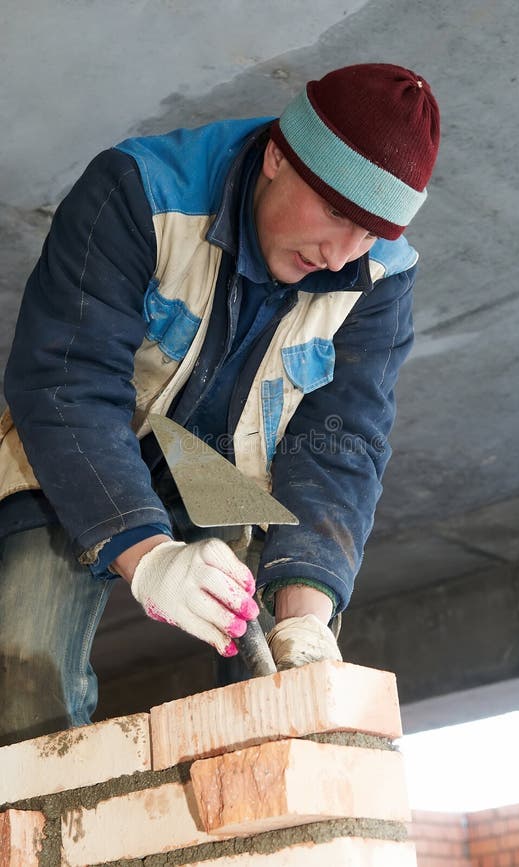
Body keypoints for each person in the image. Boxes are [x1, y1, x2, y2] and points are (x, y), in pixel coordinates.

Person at [0, 64, 440, 745]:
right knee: (23, 675)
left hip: (224, 472)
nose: (339, 253)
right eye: (333, 212)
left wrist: (304, 612)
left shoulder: (378, 277)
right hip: (87, 447)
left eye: (368, 232)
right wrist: (148, 556)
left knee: (288, 689)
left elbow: (340, 440)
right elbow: (67, 383)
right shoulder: (138, 192)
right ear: (276, 157)